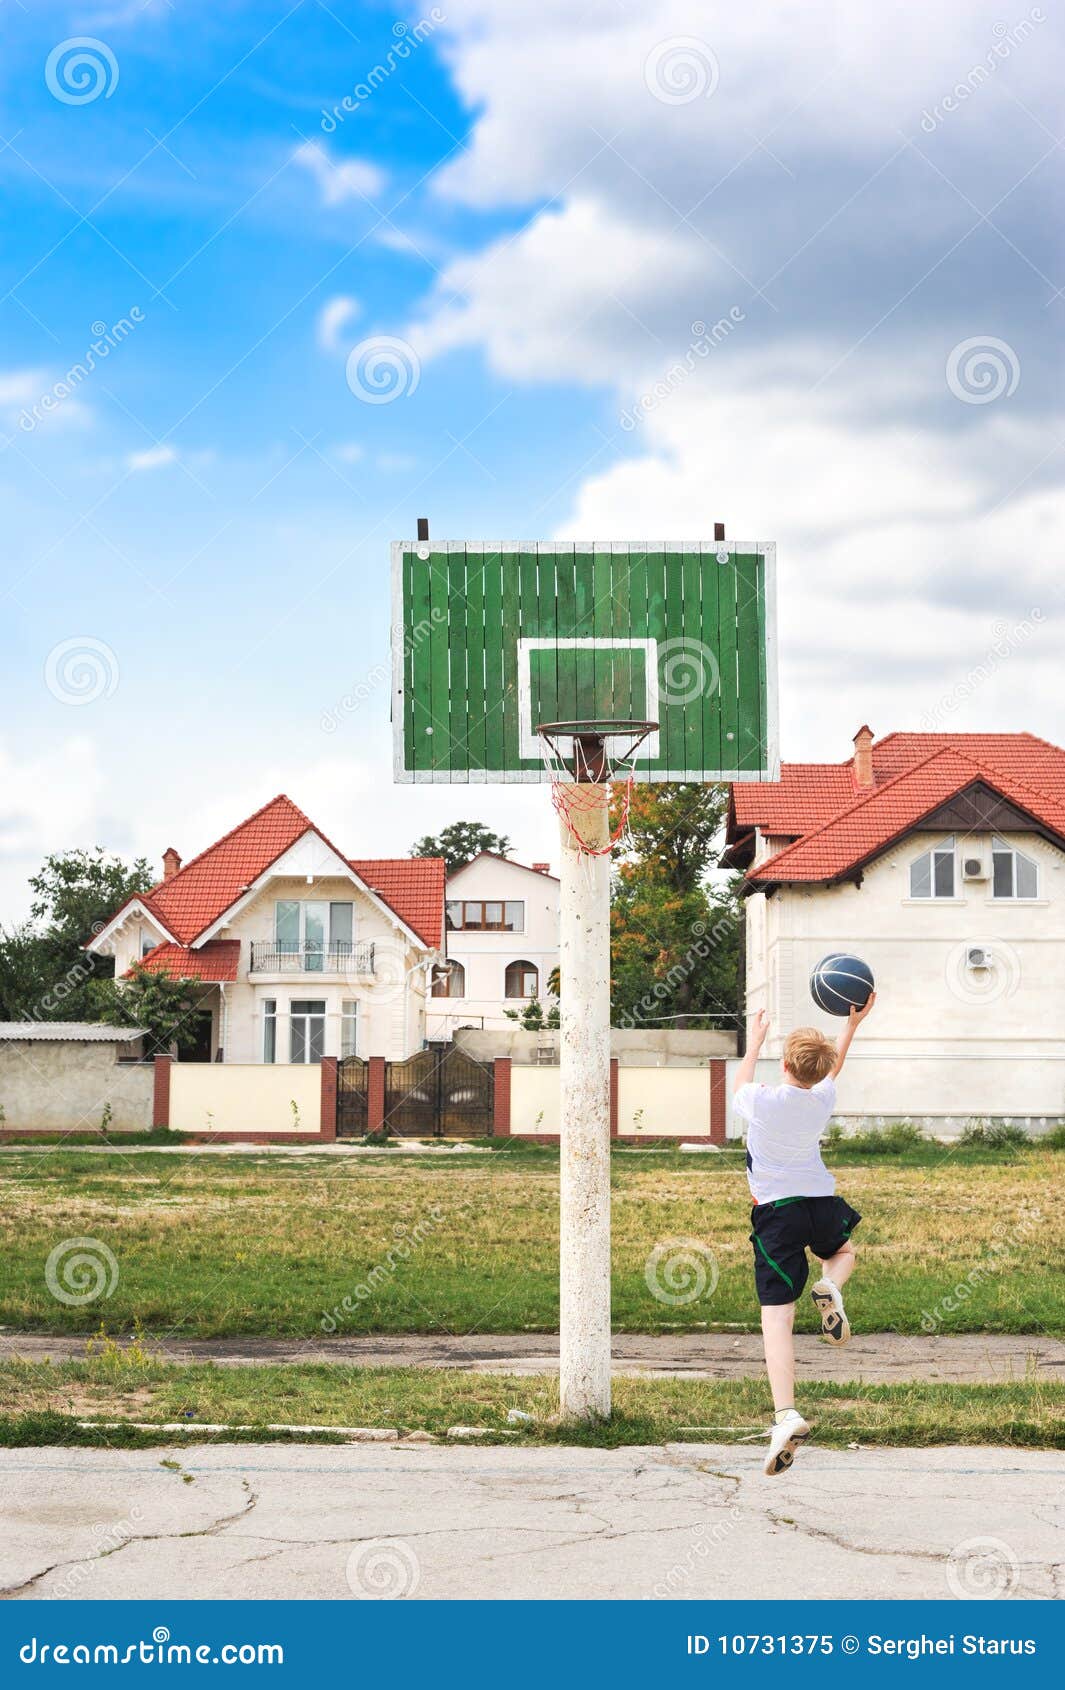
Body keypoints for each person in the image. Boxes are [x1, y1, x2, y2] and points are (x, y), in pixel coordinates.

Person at [732, 995, 876, 1476]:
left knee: (777, 1319)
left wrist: (753, 1042)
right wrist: (851, 1025)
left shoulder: (761, 1100)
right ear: (818, 1070)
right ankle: (831, 1285)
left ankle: (785, 1414)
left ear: (787, 1063)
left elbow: (741, 1081)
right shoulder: (821, 1100)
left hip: (776, 1213)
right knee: (844, 1253)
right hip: (820, 1204)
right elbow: (835, 1067)